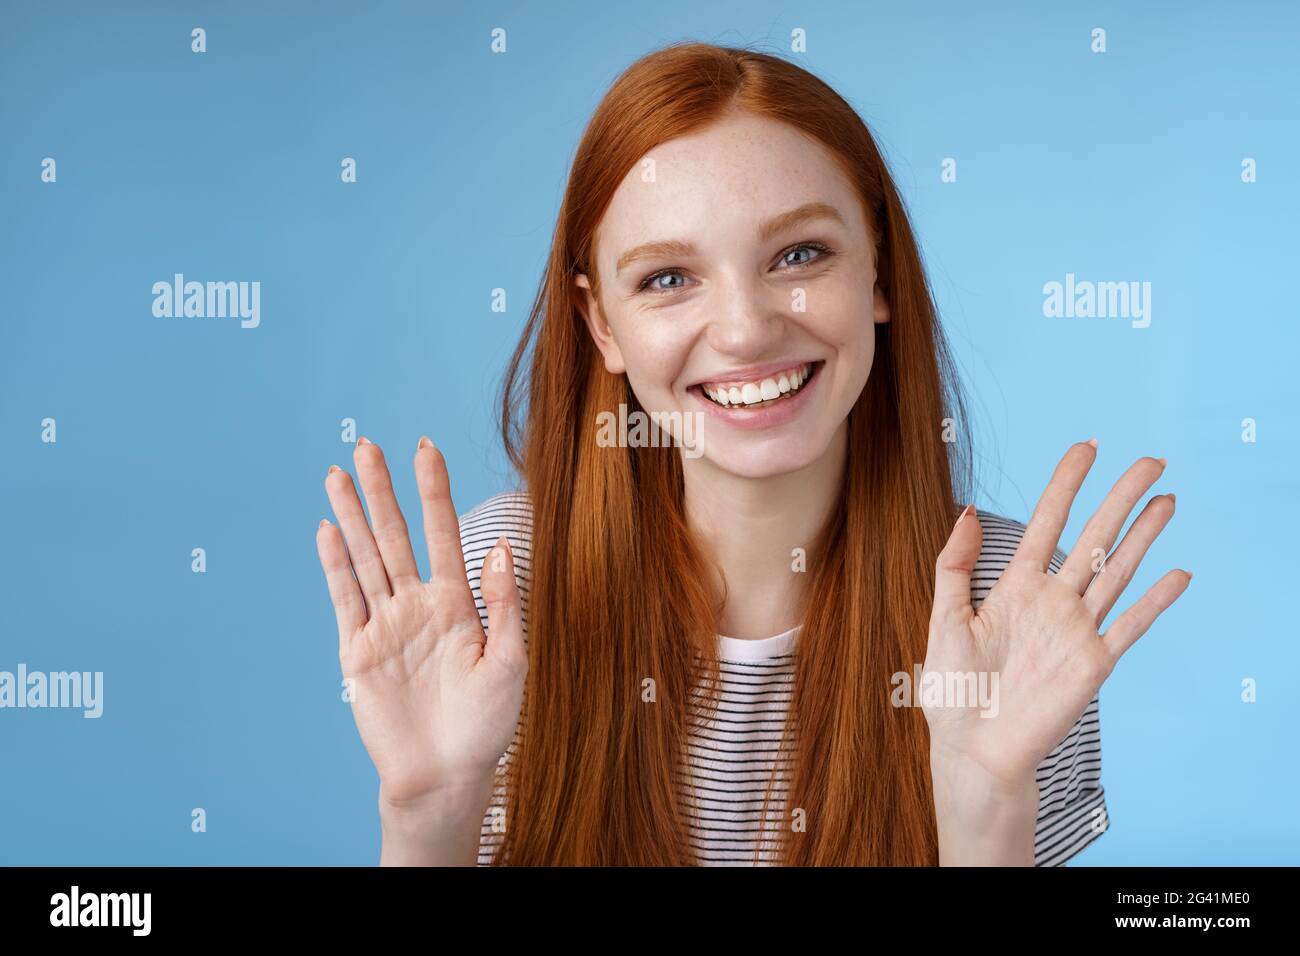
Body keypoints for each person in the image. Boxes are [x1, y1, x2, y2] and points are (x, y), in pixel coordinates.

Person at [314, 42, 1190, 866]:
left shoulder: (1012, 604)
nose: (744, 329)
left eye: (799, 254)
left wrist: (985, 802)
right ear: (601, 326)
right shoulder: (499, 588)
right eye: (667, 278)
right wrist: (429, 812)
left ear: (877, 278)